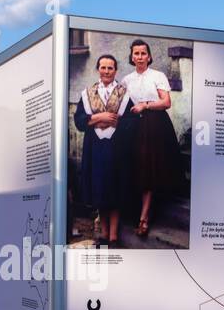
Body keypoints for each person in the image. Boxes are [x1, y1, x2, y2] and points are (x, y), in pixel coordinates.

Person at [74, 54, 135, 246]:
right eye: (103, 67)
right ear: (98, 69)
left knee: (115, 188)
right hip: (95, 146)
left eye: (110, 68)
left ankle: (114, 235)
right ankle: (103, 233)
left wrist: (118, 123)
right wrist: (100, 117)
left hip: (117, 147)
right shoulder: (88, 93)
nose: (106, 71)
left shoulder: (124, 94)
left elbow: (132, 121)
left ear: (116, 71)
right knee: (99, 188)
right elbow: (79, 120)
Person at [123, 39, 179, 240]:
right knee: (134, 169)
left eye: (143, 53)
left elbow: (166, 102)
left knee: (148, 170)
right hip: (133, 127)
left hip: (155, 126)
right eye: (136, 53)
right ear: (131, 56)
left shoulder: (157, 76)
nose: (139, 57)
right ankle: (133, 213)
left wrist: (145, 105)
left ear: (149, 56)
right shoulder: (126, 80)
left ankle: (144, 218)